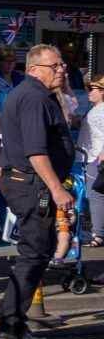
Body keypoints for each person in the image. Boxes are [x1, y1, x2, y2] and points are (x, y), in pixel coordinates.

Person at [0, 44, 75, 339]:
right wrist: (57, 188)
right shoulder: (33, 97)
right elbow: (36, 151)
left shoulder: (40, 95)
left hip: (28, 181)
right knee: (35, 252)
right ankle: (11, 324)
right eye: (55, 66)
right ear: (34, 69)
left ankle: (5, 308)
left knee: (40, 249)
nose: (62, 70)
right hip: (31, 184)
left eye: (62, 65)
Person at [77, 76, 104, 252]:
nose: (89, 92)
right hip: (90, 156)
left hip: (95, 157)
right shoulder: (96, 108)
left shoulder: (101, 110)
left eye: (93, 89)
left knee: (96, 196)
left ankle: (98, 234)